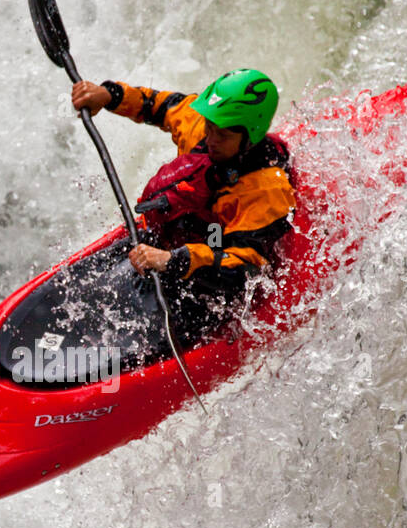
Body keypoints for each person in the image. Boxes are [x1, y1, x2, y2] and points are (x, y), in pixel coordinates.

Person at [71, 69, 296, 344]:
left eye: (222, 135)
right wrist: (109, 95)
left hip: (214, 255)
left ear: (250, 136)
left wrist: (174, 260)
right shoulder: (203, 127)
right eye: (209, 128)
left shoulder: (265, 191)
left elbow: (248, 273)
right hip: (187, 234)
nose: (210, 139)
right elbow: (158, 105)